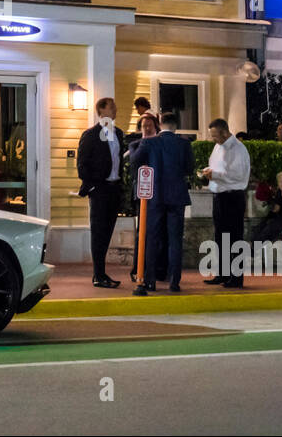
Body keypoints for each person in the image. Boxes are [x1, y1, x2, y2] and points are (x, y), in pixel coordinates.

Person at [130, 112, 194, 291]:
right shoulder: (184, 144)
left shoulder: (150, 143)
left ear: (160, 123)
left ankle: (150, 279)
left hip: (155, 196)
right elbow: (189, 169)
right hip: (177, 196)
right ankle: (174, 281)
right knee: (175, 239)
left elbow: (134, 162)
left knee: (153, 238)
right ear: (176, 125)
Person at [77, 97, 124, 288]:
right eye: (112, 107)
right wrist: (94, 184)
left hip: (114, 188)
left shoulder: (118, 133)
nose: (115, 110)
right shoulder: (91, 134)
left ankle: (103, 273)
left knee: (108, 231)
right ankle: (98, 274)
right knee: (98, 231)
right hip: (100, 189)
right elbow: (82, 165)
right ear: (101, 111)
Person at [200, 118, 251, 288]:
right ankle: (222, 273)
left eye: (215, 135)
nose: (213, 139)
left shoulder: (238, 149)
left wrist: (214, 175)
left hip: (233, 197)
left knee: (234, 237)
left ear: (224, 132)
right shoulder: (217, 147)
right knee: (220, 237)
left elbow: (238, 175)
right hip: (219, 196)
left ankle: (236, 278)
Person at [127, 113, 165, 283]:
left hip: (160, 192)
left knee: (160, 232)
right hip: (142, 194)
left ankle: (158, 268)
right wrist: (146, 141)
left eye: (150, 125)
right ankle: (139, 268)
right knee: (141, 232)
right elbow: (134, 163)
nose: (147, 128)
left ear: (157, 127)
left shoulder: (162, 144)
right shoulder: (136, 144)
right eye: (144, 126)